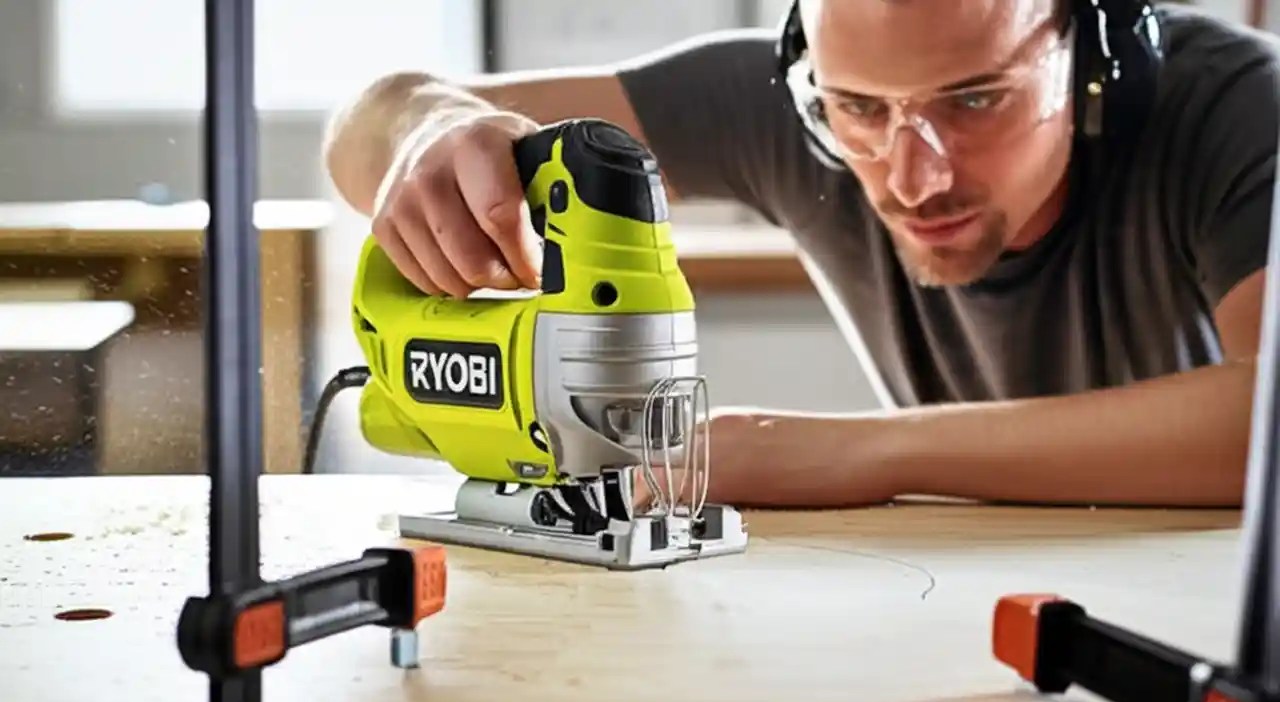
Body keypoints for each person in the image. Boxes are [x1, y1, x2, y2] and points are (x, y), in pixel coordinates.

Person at [323, 0, 1280, 510]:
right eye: (857, 109)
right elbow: (363, 128)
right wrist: (433, 123)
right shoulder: (780, 104)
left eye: (975, 98)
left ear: (1101, 57)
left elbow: (1266, 421)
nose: (912, 175)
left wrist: (846, 453)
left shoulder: (1238, 108)